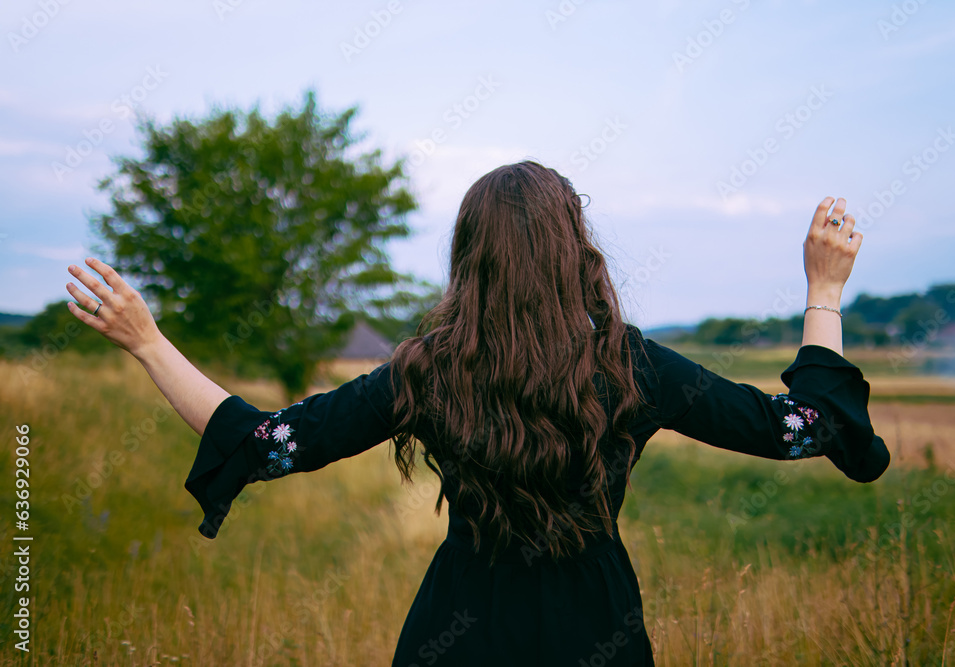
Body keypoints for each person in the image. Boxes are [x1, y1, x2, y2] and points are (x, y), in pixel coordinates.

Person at [66, 160, 889, 666]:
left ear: (470, 257)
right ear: (576, 248)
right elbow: (803, 428)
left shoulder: (429, 369)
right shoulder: (628, 362)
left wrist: (148, 341)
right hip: (593, 633)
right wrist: (823, 291)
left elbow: (266, 443)